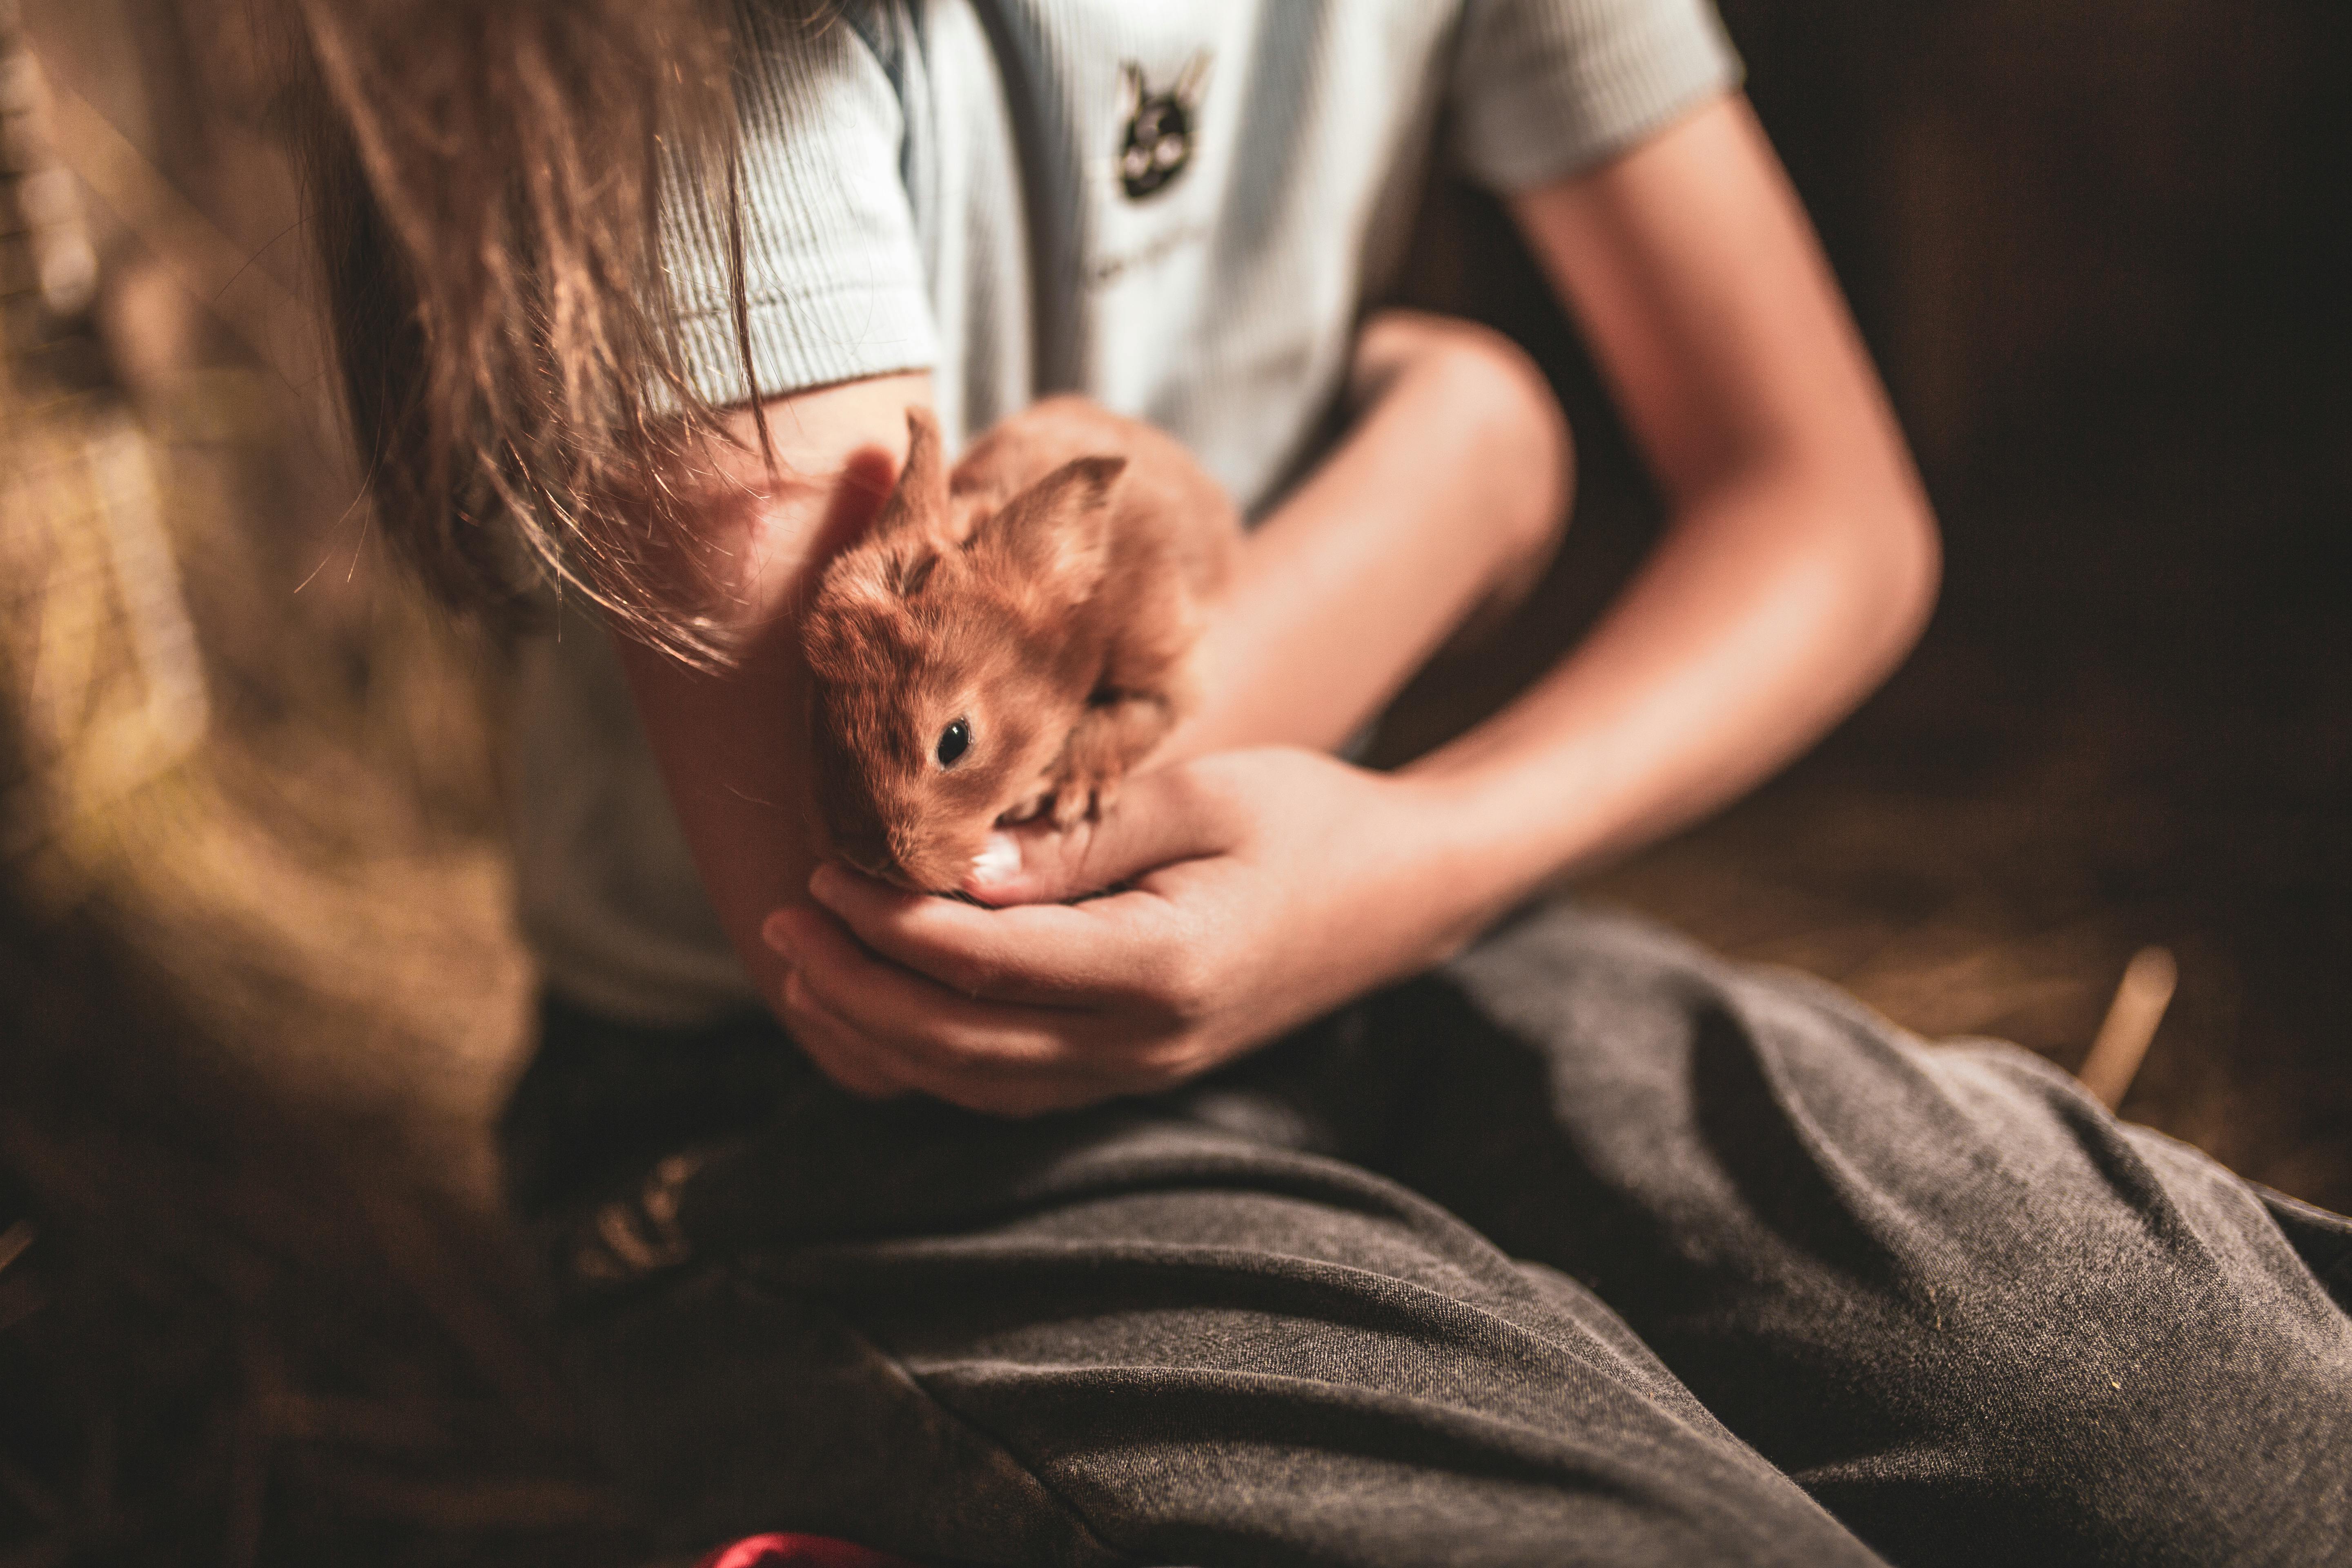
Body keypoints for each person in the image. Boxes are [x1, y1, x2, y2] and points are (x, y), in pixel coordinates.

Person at [296, 1, 2352, 1564]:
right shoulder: (671, 51)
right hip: (822, 1112)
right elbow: (917, 900)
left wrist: (1439, 852)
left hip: (1385, 926)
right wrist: (1473, 463)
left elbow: (1835, 511)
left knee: (2235, 1434)